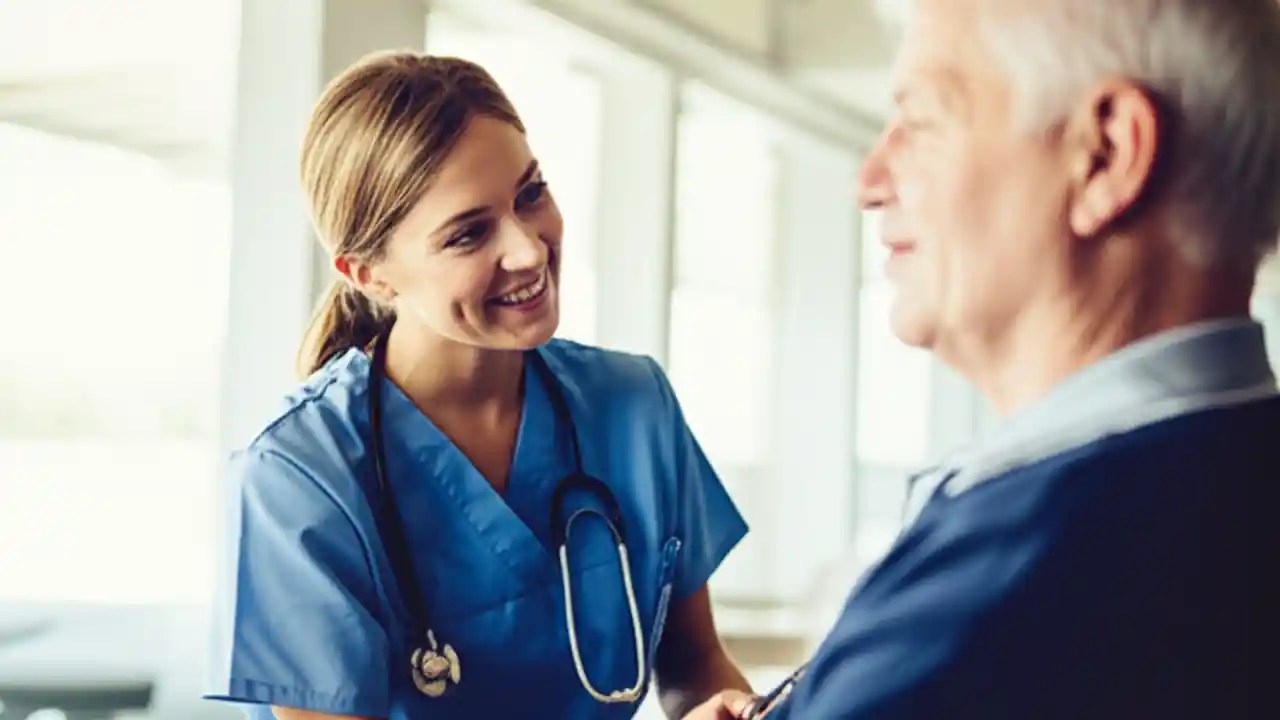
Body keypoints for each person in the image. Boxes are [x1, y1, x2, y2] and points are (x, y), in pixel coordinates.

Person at [689, 0, 1280, 717]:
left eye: (923, 121)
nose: (869, 180)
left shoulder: (1008, 599)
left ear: (1103, 157)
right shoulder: (1221, 498)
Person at [203, 51, 751, 720]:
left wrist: (723, 708)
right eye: (468, 234)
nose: (528, 249)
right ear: (369, 274)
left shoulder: (633, 406)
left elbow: (694, 667)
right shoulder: (297, 477)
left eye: (531, 194)